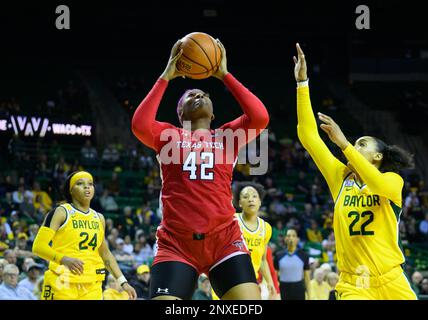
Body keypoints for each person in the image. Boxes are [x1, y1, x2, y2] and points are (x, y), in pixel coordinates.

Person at [131, 39, 269, 300]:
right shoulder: (167, 134)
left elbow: (260, 117)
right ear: (180, 114)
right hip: (176, 243)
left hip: (224, 239)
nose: (199, 95)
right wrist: (166, 76)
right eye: (190, 95)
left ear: (213, 114)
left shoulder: (227, 135)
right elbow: (140, 124)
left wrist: (224, 75)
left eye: (204, 94)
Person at [294, 43, 417, 300]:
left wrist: (345, 144)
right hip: (355, 284)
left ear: (378, 157)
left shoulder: (392, 181)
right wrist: (302, 84)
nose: (355, 146)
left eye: (363, 144)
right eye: (355, 143)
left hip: (392, 279)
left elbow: (378, 185)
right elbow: (308, 136)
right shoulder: (341, 178)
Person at [32, 171, 137, 300]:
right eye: (80, 183)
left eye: (90, 184)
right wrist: (63, 259)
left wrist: (123, 282)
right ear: (71, 190)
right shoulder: (61, 212)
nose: (87, 187)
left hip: (91, 285)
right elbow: (38, 246)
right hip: (62, 282)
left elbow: (105, 254)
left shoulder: (99, 218)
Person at [274, 228, 311, 300]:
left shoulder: (304, 255)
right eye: (288, 236)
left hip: (299, 288)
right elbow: (275, 276)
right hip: (284, 289)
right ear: (285, 239)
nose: (291, 238)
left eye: (294, 236)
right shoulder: (278, 255)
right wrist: (276, 293)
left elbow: (307, 278)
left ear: (297, 239)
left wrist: (309, 296)